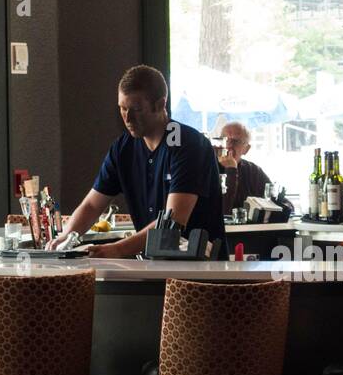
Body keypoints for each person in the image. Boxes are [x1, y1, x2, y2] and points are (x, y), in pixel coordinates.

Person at [51, 65, 225, 257]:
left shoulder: (189, 145)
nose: (128, 118)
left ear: (160, 105)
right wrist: (66, 237)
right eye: (122, 108)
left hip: (200, 269)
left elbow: (173, 220)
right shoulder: (123, 148)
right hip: (153, 264)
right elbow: (92, 205)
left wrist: (118, 249)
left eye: (136, 109)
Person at [217, 121, 272, 215]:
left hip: (247, 228)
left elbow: (277, 200)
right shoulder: (207, 168)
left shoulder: (253, 171)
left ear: (246, 149)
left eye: (235, 141)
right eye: (224, 140)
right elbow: (222, 211)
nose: (229, 145)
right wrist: (231, 170)